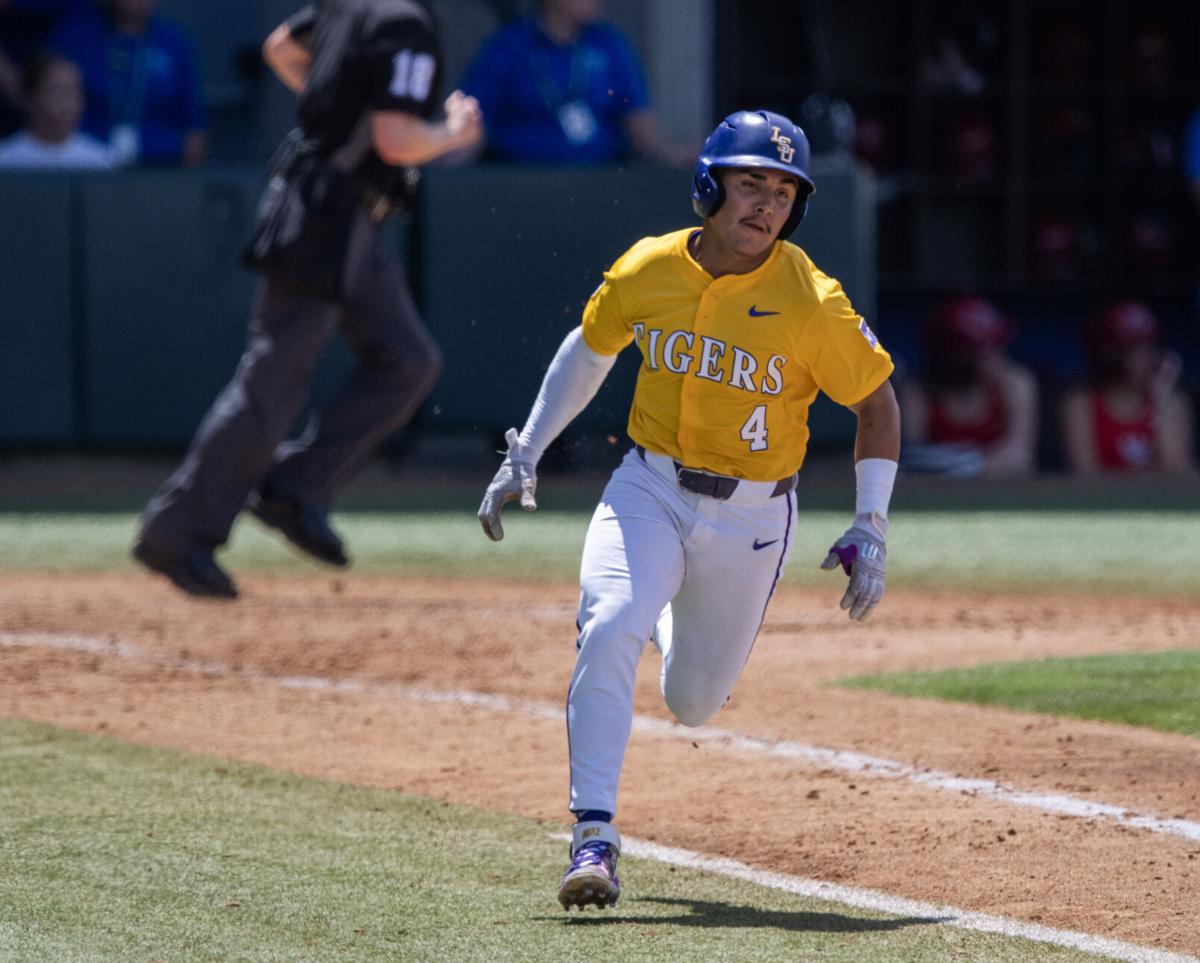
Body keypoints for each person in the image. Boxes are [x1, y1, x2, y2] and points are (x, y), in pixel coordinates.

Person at [478, 109, 900, 910]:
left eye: (783, 192)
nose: (767, 206)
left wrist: (870, 522)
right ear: (709, 185)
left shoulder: (814, 300)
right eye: (750, 184)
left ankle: (664, 613)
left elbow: (878, 404)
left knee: (693, 700)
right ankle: (593, 837)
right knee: (608, 624)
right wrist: (526, 449)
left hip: (752, 517)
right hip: (651, 485)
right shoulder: (649, 268)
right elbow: (592, 344)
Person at [131, 0, 483, 598]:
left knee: (407, 359)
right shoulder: (403, 23)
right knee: (272, 382)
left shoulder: (352, 6)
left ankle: (294, 489)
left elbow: (281, 49)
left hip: (347, 217)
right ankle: (177, 529)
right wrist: (455, 131)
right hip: (327, 218)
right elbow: (395, 141)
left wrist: (338, 107)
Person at [459, 0, 692, 166]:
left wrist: (673, 155)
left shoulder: (609, 43)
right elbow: (472, 127)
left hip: (599, 183)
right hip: (521, 186)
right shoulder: (508, 45)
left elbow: (643, 131)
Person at [49, 0, 206, 165]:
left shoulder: (174, 41)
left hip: (161, 162)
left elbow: (193, 123)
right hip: (89, 160)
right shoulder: (75, 38)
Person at [898, 295, 1038, 478]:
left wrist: (962, 465)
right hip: (936, 497)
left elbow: (1019, 458)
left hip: (1003, 495)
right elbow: (914, 461)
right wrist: (976, 462)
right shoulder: (918, 391)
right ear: (954, 353)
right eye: (984, 348)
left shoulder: (1015, 383)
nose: (996, 355)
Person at [1060, 299, 1195, 475]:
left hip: (1160, 501)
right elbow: (1085, 474)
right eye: (1136, 349)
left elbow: (1177, 472)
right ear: (1109, 353)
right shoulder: (1080, 403)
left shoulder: (1173, 402)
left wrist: (1161, 400)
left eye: (1151, 347)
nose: (1148, 357)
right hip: (1102, 501)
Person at [0, 51, 115, 168]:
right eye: (57, 92)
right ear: (29, 97)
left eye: (73, 93)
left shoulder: (102, 162)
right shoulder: (5, 160)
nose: (67, 103)